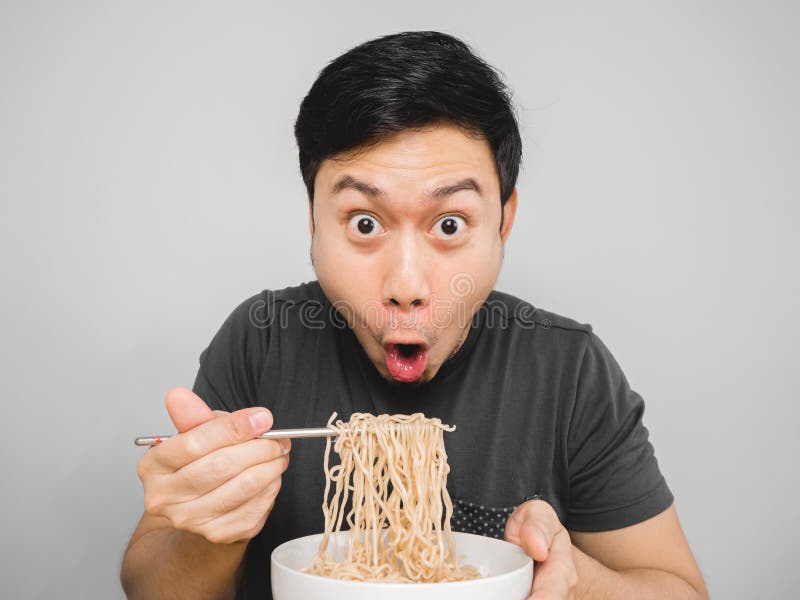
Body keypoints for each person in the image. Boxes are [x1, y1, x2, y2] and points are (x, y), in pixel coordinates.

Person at [121, 31, 708, 600]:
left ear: (504, 221)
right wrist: (213, 530)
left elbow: (681, 591)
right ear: (313, 221)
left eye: (449, 224)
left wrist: (578, 580)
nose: (406, 285)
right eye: (364, 223)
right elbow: (148, 586)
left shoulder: (568, 369)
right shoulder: (262, 341)